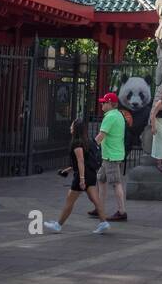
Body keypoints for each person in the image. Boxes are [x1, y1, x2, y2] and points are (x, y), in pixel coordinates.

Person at [45, 118, 111, 234]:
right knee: (96, 200)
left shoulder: (76, 143)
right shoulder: (89, 141)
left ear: (75, 129)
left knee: (69, 201)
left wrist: (81, 179)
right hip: (91, 174)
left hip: (82, 176)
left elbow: (80, 161)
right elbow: (83, 161)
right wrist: (68, 170)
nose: (70, 127)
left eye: (72, 126)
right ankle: (103, 222)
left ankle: (58, 225)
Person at [92, 93, 128, 221]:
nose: (101, 104)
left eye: (104, 102)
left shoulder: (110, 116)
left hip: (111, 155)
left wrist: (90, 147)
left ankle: (122, 211)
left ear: (110, 104)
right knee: (101, 179)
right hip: (110, 154)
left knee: (116, 183)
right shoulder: (118, 114)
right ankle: (100, 208)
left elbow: (101, 135)